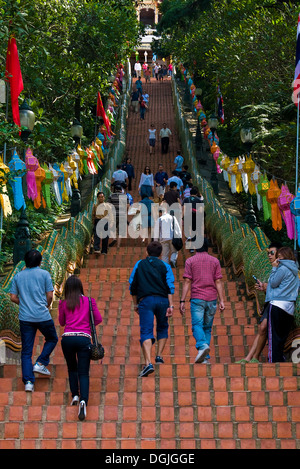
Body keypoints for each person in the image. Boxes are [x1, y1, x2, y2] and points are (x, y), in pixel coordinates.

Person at [10, 249, 58, 392]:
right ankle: (41, 362)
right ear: (40, 262)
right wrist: (46, 306)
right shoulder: (44, 274)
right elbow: (50, 295)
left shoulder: (18, 276)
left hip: (25, 318)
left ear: (25, 261)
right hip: (42, 315)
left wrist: (24, 303)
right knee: (52, 338)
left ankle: (29, 382)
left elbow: (12, 297)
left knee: (26, 351)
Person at [59, 276, 102, 420]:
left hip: (67, 338)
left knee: (72, 368)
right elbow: (98, 319)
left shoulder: (63, 303)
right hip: (84, 338)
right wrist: (86, 326)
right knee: (83, 372)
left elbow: (61, 321)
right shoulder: (89, 301)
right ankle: (84, 400)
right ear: (80, 287)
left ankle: (75, 395)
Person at [129, 241, 175, 377]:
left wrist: (135, 304)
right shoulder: (165, 266)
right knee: (162, 327)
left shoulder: (139, 264)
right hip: (162, 300)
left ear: (146, 252)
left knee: (146, 331)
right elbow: (170, 286)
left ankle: (148, 363)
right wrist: (171, 305)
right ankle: (159, 356)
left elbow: (133, 285)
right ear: (161, 254)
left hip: (146, 300)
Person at [180, 238, 225, 363]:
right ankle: (205, 357)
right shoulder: (215, 261)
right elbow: (218, 281)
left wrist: (182, 301)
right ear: (207, 247)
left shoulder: (190, 261)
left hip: (197, 298)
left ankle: (202, 346)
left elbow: (187, 281)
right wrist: (221, 300)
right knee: (207, 328)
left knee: (196, 326)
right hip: (211, 299)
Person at [237, 242, 283, 363]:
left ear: (279, 254)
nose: (269, 255)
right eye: (268, 253)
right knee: (262, 328)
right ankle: (250, 357)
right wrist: (263, 288)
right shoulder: (273, 269)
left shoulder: (282, 269)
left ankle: (254, 357)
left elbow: (278, 287)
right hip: (270, 303)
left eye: (272, 253)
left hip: (278, 304)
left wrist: (266, 286)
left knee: (263, 327)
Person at [254, 246, 299, 363]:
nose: (276, 259)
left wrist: (274, 269)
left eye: (278, 256)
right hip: (289, 307)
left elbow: (273, 283)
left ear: (283, 257)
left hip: (277, 305)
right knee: (282, 337)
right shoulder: (295, 270)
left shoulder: (282, 269)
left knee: (273, 336)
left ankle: (273, 362)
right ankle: (280, 360)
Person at [182, 186, 204, 252]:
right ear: (196, 193)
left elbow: (183, 209)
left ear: (190, 193)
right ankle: (192, 247)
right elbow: (201, 210)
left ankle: (189, 241)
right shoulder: (199, 200)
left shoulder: (186, 199)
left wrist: (181, 217)